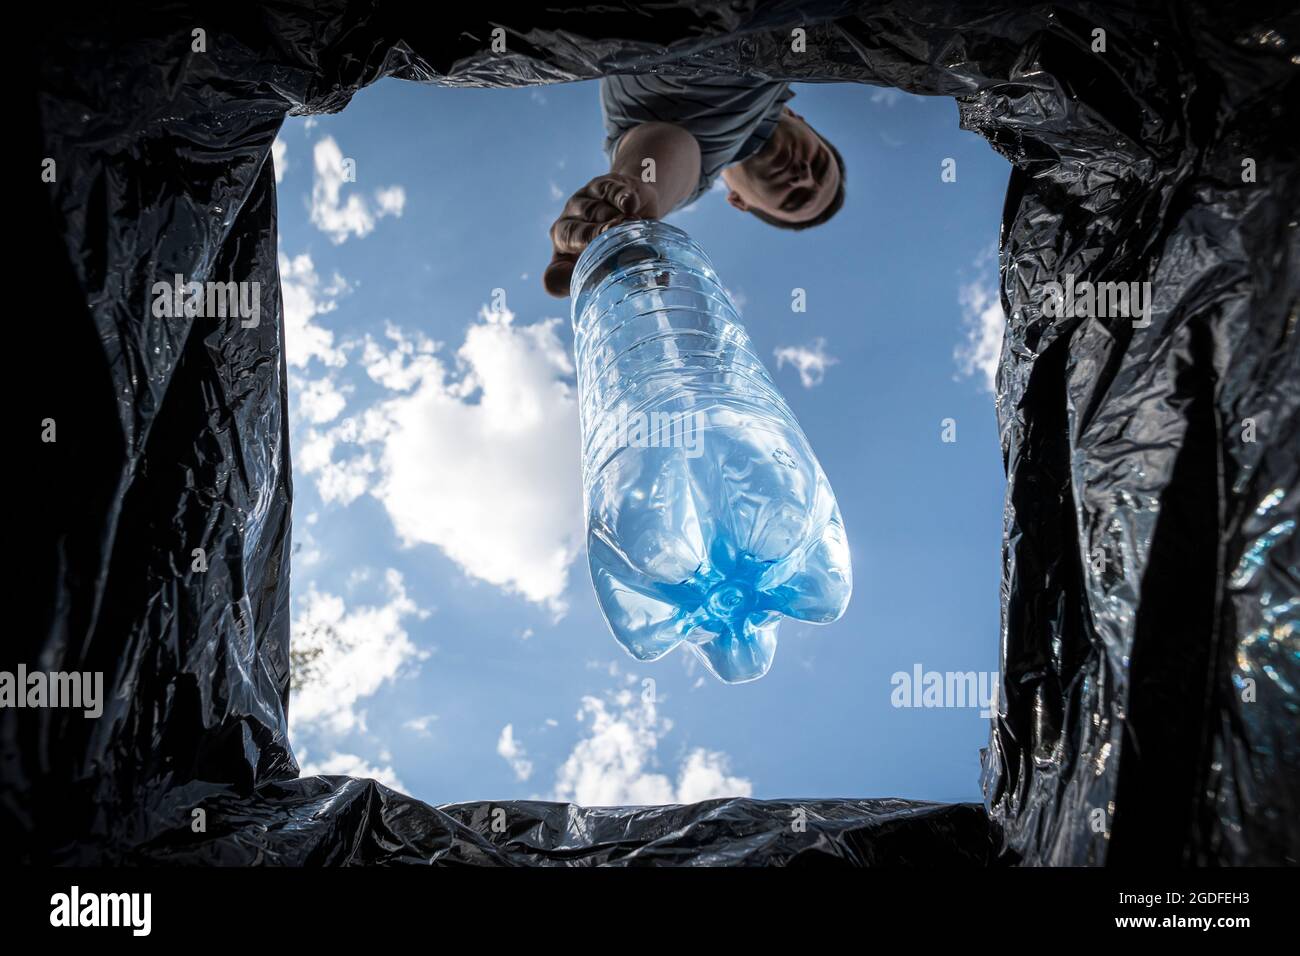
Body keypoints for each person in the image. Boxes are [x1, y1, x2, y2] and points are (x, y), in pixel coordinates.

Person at [543, 73, 846, 297]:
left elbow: (668, 150)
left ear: (739, 200)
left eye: (796, 198)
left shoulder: (696, 163)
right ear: (798, 117)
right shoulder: (787, 65)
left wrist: (632, 192)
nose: (804, 176)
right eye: (818, 164)